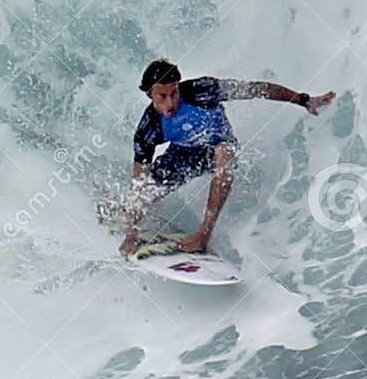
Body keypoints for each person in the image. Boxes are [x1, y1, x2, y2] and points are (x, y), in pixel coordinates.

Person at [121, 59, 335, 258]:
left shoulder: (202, 91)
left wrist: (303, 99)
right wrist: (131, 236)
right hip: (182, 156)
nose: (171, 102)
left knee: (225, 152)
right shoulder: (149, 128)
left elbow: (257, 89)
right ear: (150, 95)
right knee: (144, 194)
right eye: (162, 96)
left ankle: (203, 234)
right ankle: (120, 211)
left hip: (217, 148)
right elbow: (139, 180)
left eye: (174, 93)